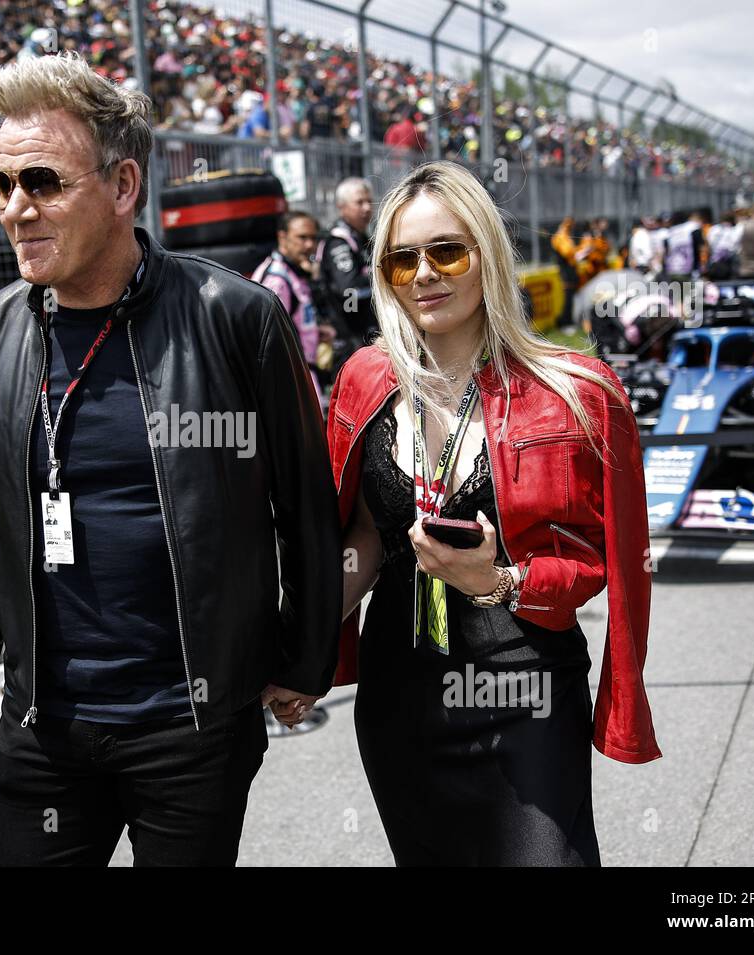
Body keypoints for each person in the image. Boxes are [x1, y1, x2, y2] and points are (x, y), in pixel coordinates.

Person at [0, 52, 341, 867]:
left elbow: (305, 504)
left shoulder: (236, 318)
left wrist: (304, 657)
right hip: (42, 726)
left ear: (123, 186)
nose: (15, 210)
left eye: (43, 182)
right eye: (0, 186)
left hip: (191, 727)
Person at [326, 161, 660, 866]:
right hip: (401, 690)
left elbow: (611, 563)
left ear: (488, 254)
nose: (425, 274)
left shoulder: (577, 392)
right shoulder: (363, 379)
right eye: (402, 259)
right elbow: (361, 534)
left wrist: (498, 581)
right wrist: (300, 640)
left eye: (447, 251)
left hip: (525, 679)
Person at [251, 210, 335, 396]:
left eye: (313, 238)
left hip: (303, 375)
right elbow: (267, 339)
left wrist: (313, 332)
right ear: (283, 238)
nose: (309, 245)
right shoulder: (276, 280)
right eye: (302, 238)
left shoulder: (292, 272)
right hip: (289, 382)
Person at [317, 176, 376, 351]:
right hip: (349, 336)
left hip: (365, 332)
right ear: (342, 207)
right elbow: (349, 289)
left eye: (369, 201)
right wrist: (381, 284)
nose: (366, 208)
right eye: (359, 202)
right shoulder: (339, 241)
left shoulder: (361, 237)